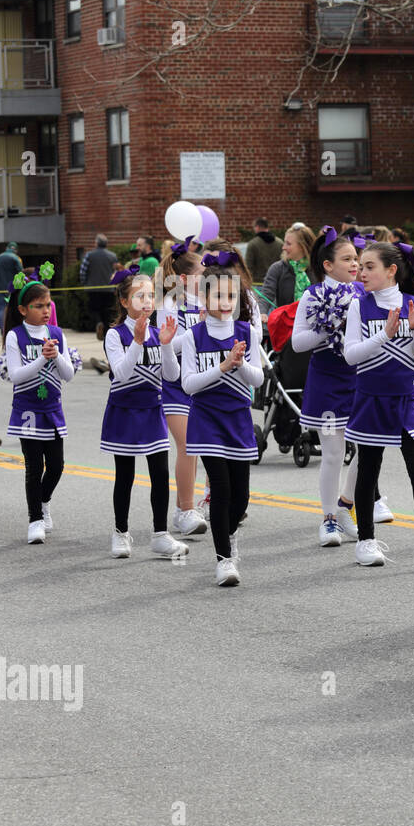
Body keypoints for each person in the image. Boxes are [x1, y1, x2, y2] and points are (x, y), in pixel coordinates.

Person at [342, 240, 414, 568]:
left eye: (369, 266)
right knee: (369, 470)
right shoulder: (360, 305)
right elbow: (350, 355)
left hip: (405, 400)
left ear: (391, 270)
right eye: (360, 265)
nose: (361, 272)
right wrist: (384, 334)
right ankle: (366, 540)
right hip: (370, 400)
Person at [177, 253, 264, 586]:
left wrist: (240, 365)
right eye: (217, 296)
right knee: (222, 489)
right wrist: (223, 366)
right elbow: (188, 385)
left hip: (238, 420)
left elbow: (257, 380)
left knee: (241, 497)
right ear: (203, 296)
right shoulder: (192, 337)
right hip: (207, 419)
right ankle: (224, 559)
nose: (225, 302)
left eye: (230, 296)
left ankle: (228, 538)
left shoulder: (247, 332)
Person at [101, 268, 188, 561]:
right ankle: (121, 531)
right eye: (140, 296)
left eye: (151, 295)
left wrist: (165, 345)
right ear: (124, 302)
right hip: (124, 411)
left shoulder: (155, 332)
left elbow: (172, 375)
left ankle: (161, 534)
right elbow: (122, 374)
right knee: (125, 475)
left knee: (160, 474)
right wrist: (137, 342)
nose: (148, 300)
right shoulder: (116, 335)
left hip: (152, 411)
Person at [292, 226, 367, 545]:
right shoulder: (313, 295)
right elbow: (297, 343)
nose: (355, 264)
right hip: (326, 378)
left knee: (368, 448)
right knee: (334, 453)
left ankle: (346, 504)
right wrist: (331, 325)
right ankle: (329, 519)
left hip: (361, 377)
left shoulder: (365, 292)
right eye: (348, 259)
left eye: (357, 258)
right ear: (327, 265)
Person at [2, 268, 72, 544]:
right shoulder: (14, 336)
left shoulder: (56, 333)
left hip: (52, 408)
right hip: (27, 409)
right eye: (38, 306)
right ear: (22, 309)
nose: (45, 310)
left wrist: (56, 356)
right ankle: (35, 520)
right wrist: (43, 359)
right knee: (34, 466)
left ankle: (44, 502)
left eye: (48, 305)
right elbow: (16, 376)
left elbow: (68, 375)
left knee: (56, 465)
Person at [157, 242, 209, 535]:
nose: (208, 273)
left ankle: (182, 510)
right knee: (186, 445)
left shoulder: (206, 301)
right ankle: (187, 509)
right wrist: (194, 333)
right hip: (173, 381)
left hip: (198, 380)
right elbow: (167, 341)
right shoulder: (170, 303)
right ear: (185, 278)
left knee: (194, 447)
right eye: (203, 270)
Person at [262, 225, 317, 310]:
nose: (283, 247)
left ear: (302, 246)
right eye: (284, 242)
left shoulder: (318, 269)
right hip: (285, 322)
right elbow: (266, 295)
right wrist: (261, 312)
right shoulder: (277, 268)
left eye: (288, 244)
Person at [79, 234, 118, 341]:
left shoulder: (89, 255)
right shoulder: (113, 256)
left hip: (93, 288)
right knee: (107, 311)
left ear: (96, 243)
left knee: (93, 309)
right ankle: (106, 334)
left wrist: (84, 283)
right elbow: (116, 272)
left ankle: (98, 322)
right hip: (109, 289)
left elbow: (83, 271)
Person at [0, 241, 21, 332]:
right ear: (15, 250)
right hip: (12, 288)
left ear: (6, 248)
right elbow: (21, 274)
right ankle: (11, 329)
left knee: (1, 309)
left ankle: (3, 331)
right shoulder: (16, 258)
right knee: (13, 308)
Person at [245, 219, 284, 283]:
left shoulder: (253, 244)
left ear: (257, 227)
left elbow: (248, 267)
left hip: (259, 283)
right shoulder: (280, 243)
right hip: (276, 282)